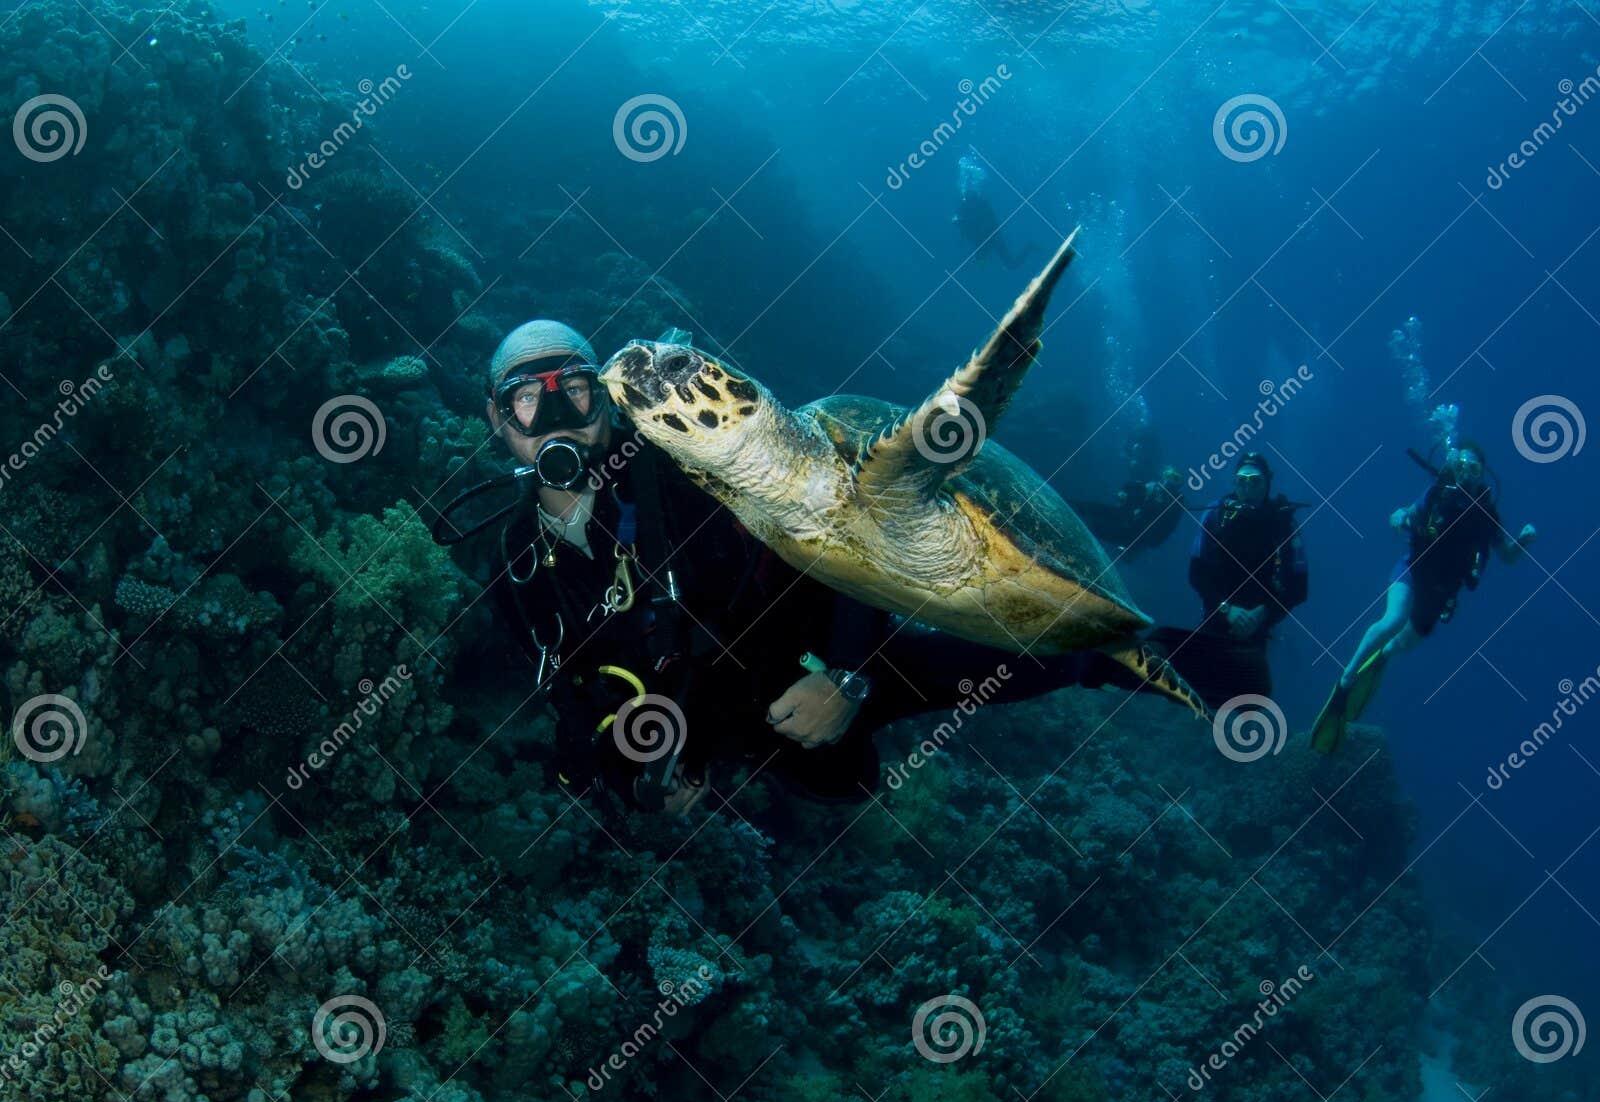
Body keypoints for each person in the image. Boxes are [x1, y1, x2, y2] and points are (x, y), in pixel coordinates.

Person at [440, 320, 1180, 816]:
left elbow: (843, 526)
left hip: (824, 650)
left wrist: (849, 675)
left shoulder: (686, 473)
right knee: (829, 784)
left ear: (605, 398)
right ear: (495, 420)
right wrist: (656, 756)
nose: (556, 416)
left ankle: (1118, 656)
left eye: (572, 387)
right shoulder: (516, 563)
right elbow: (571, 687)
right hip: (726, 714)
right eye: (526, 401)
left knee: (1013, 653)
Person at [1311, 442, 1536, 753]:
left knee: (1407, 642)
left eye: (1473, 469)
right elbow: (1402, 514)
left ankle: (1384, 655)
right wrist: (1399, 517)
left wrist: (1523, 541)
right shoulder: (1437, 493)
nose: (1466, 474)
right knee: (1393, 620)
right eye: (1462, 466)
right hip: (1412, 570)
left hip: (1442, 590)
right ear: (1453, 466)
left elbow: (1507, 555)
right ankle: (1347, 678)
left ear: (1482, 474)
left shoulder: (1487, 514)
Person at [1146, 452, 1307, 706]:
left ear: (1267, 484)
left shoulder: (1284, 524)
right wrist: (1226, 609)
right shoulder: (1214, 515)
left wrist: (1262, 614)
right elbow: (1196, 573)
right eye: (1241, 481)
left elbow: (1299, 588)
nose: (1247, 488)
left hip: (1257, 629)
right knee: (1188, 687)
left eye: (1255, 481)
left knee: (1248, 700)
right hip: (1217, 617)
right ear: (1233, 483)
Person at [954, 151, 1042, 270]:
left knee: (1010, 264)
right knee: (1010, 264)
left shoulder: (975, 205)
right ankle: (1031, 247)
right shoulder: (970, 206)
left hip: (990, 237)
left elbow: (987, 220)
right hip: (990, 237)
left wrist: (962, 229)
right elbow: (967, 226)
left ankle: (1031, 246)